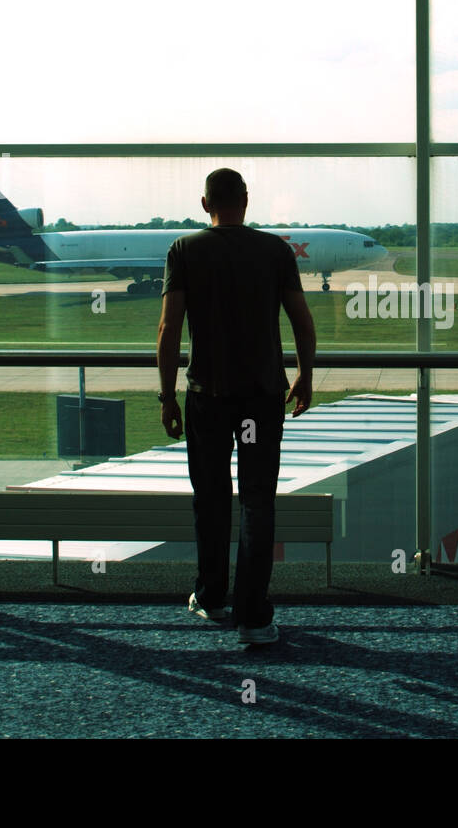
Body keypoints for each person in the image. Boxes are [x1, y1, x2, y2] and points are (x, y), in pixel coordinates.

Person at [156, 168, 317, 645]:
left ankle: (210, 596)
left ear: (205, 204)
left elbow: (169, 332)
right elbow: (302, 324)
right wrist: (305, 375)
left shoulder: (185, 251)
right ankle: (255, 617)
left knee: (210, 498)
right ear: (246, 200)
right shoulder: (275, 251)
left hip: (208, 397)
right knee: (257, 501)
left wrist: (167, 396)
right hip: (262, 398)